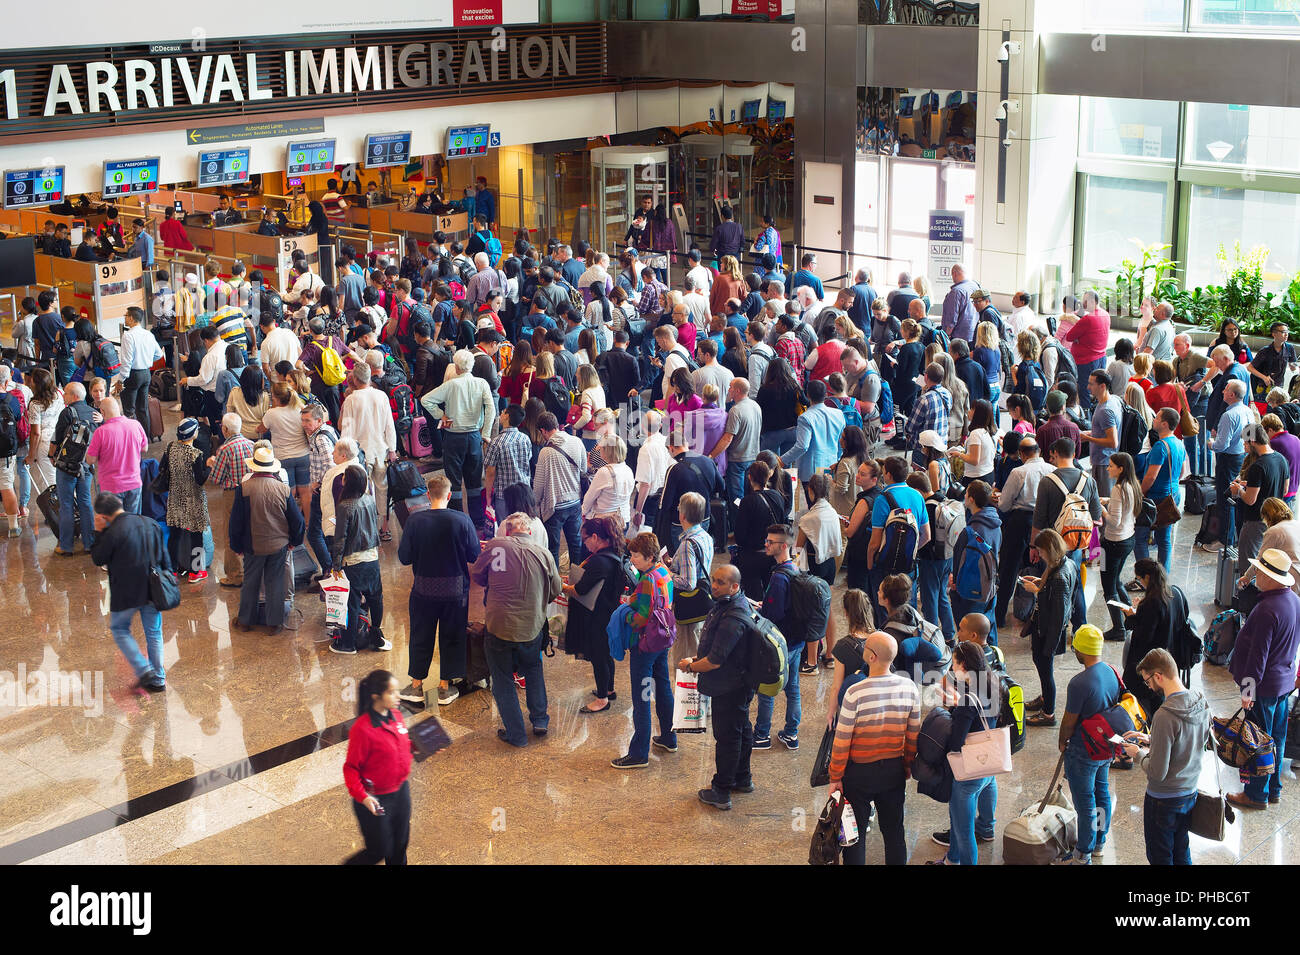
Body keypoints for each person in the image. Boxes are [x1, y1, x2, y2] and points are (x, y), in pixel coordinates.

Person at [826, 628, 920, 866]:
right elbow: (912, 736)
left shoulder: (855, 692)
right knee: (894, 832)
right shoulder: (909, 688)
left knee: (854, 837)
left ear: (871, 657)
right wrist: (907, 766)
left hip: (859, 773)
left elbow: (842, 739)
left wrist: (835, 776)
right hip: (893, 770)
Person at [471, 514, 562, 746]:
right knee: (533, 669)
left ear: (507, 531)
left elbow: (478, 577)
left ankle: (516, 734)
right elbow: (555, 591)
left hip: (498, 625)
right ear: (529, 532)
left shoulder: (495, 546)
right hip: (531, 627)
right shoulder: (544, 554)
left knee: (502, 679)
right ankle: (540, 720)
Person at [1116, 649, 1210, 865]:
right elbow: (1193, 741)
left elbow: (1157, 772)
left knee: (1160, 857)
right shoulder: (1200, 701)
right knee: (1181, 851)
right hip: (1189, 792)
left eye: (1148, 681)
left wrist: (1138, 753)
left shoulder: (1165, 714)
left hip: (1163, 800)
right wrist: (1152, 738)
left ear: (1158, 676)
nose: (1148, 686)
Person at [396, 473, 480, 707]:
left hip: (423, 589)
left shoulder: (414, 521)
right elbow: (474, 555)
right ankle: (445, 685)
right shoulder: (461, 520)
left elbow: (404, 558)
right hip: (455, 590)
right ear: (449, 495)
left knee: (420, 635)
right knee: (452, 635)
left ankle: (415, 685)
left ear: (427, 495)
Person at [1226, 548, 1300, 810]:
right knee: (1276, 738)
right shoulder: (1293, 600)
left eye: (1260, 571)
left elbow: (1258, 656)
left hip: (1263, 687)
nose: (1256, 574)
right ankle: (1273, 789)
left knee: (1257, 741)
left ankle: (1256, 794)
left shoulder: (1266, 609)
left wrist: (1247, 692)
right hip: (1283, 683)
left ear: (1270, 576)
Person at [679, 564, 755, 810]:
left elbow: (714, 661)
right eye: (713, 580)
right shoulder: (737, 603)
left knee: (727, 737)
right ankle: (743, 778)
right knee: (742, 728)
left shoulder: (733, 616)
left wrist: (690, 666)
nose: (713, 585)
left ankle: (721, 791)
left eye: (720, 582)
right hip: (739, 683)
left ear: (734, 586)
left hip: (730, 686)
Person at [1050, 624, 1119, 864]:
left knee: (1085, 802)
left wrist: (1062, 742)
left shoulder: (1079, 683)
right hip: (1106, 747)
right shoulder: (1110, 671)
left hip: (1083, 751)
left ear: (1081, 649)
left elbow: (1069, 721)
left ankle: (1083, 853)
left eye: (1075, 647)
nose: (1074, 651)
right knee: (1102, 793)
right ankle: (1099, 842)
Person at [89, 491, 170, 692]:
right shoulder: (149, 522)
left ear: (103, 516)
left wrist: (98, 532)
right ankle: (158, 677)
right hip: (153, 587)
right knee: (154, 633)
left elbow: (98, 558)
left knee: (119, 629)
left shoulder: (112, 532)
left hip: (126, 592)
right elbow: (164, 555)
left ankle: (145, 670)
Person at [928, 641, 1000, 865]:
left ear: (964, 664)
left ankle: (960, 859)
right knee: (985, 791)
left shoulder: (968, 699)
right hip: (989, 761)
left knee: (962, 829)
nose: (952, 668)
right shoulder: (993, 681)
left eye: (954, 663)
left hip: (969, 772)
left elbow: (957, 742)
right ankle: (953, 858)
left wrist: (953, 711)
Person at [613, 531, 677, 768]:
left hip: (645, 643)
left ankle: (639, 753)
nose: (632, 561)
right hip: (663, 639)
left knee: (642, 697)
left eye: (636, 556)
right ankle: (669, 737)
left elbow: (642, 617)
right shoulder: (663, 572)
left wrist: (627, 620)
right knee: (663, 688)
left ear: (650, 556)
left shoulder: (647, 579)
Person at [229, 445, 305, 635]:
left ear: (253, 468)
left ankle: (245, 620)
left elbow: (236, 521)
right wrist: (294, 542)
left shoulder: (244, 488)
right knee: (275, 583)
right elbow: (298, 521)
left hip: (252, 546)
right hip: (278, 545)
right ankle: (274, 623)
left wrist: (236, 545)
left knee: (251, 582)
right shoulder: (283, 489)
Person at [342, 670, 413, 866]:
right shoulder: (362, 729)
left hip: (400, 793)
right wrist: (362, 796)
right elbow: (351, 769)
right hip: (376, 799)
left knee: (400, 845)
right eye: (392, 692)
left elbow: (400, 746)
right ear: (376, 696)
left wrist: (420, 746)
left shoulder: (396, 715)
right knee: (379, 849)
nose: (398, 696)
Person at [1033, 437, 1101, 629]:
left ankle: (1053, 625)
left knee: (1050, 584)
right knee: (1076, 584)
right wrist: (1094, 550)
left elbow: (1038, 521)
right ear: (1075, 454)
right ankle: (1081, 627)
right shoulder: (1089, 480)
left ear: (1054, 454)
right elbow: (1095, 517)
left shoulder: (1047, 482)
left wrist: (1033, 546)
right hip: (1077, 543)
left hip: (1052, 545)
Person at [563, 516, 627, 714]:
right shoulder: (616, 553)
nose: (585, 544)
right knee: (606, 654)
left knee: (599, 656)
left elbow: (580, 590)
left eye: (585, 539)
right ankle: (608, 688)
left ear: (596, 537)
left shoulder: (599, 561)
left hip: (597, 616)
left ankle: (602, 699)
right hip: (610, 611)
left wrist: (563, 586)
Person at [753, 523, 805, 750]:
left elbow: (772, 615)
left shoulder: (778, 577)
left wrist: (758, 610)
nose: (766, 544)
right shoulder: (796, 569)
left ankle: (762, 734)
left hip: (780, 643)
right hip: (797, 640)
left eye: (770, 542)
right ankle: (791, 733)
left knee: (767, 689)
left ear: (783, 546)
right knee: (793, 688)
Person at [327, 463, 389, 655]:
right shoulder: (369, 500)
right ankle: (377, 636)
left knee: (351, 604)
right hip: (372, 557)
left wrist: (335, 565)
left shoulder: (344, 506)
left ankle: (348, 644)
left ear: (349, 482)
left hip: (352, 560)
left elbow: (340, 539)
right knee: (375, 598)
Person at [1019, 529, 1078, 728]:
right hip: (1043, 628)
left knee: (1046, 671)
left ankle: (1048, 713)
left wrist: (1037, 592)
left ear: (1049, 549)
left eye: (1041, 551)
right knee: (1042, 667)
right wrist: (1040, 585)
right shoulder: (1065, 563)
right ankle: (1045, 698)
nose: (1039, 555)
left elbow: (1058, 615)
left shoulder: (1059, 577)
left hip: (1047, 633)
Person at [341, 361, 399, 542]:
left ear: (355, 379)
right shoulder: (381, 396)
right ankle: (385, 528)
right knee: (383, 489)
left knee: (362, 492)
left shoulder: (351, 399)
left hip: (360, 452)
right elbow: (389, 425)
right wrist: (392, 449)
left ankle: (367, 528)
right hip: (380, 448)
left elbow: (347, 429)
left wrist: (345, 454)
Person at [1232, 423, 1291, 579]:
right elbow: (1284, 489)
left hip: (1255, 521)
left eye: (1245, 442)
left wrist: (1238, 490)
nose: (1244, 447)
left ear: (1252, 441)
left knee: (1249, 563)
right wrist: (1249, 485)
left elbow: (1250, 500)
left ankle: (1247, 599)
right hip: (1274, 520)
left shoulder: (1257, 466)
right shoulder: (1281, 459)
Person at [797, 474, 843, 669]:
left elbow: (798, 549)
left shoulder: (809, 518)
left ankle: (811, 659)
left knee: (813, 613)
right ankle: (830, 655)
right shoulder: (833, 512)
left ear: (811, 491)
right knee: (828, 608)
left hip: (814, 566)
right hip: (830, 565)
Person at [950, 479, 1002, 644]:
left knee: (969, 630)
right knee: (987, 627)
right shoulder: (996, 523)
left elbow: (957, 562)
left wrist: (955, 583)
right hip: (990, 585)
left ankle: (974, 662)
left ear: (971, 499)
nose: (964, 496)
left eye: (966, 493)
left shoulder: (970, 532)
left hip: (970, 589)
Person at [667, 491, 714, 673]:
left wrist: (667, 574)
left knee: (684, 662)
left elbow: (688, 583)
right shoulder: (705, 536)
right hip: (702, 604)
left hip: (689, 612)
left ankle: (686, 699)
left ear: (682, 515)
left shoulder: (688, 544)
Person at [532, 412, 587, 568]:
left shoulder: (545, 452)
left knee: (553, 548)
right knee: (576, 544)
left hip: (554, 506)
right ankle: (576, 583)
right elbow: (583, 470)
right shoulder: (577, 442)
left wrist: (535, 505)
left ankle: (555, 587)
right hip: (575, 502)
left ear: (543, 430)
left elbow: (539, 484)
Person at [1098, 451, 1142, 642]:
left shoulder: (1118, 489)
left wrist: (1100, 508)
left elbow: (1114, 521)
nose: (1108, 468)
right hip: (1127, 539)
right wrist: (1108, 501)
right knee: (1116, 581)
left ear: (1121, 469)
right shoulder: (1132, 485)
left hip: (1113, 543)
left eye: (1111, 466)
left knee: (1108, 587)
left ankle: (1118, 628)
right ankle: (1132, 617)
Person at [50, 381, 97, 555]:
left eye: (67, 393)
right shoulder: (94, 413)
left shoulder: (67, 413)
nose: (64, 395)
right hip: (85, 466)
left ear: (74, 396)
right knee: (85, 503)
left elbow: (57, 439)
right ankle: (89, 544)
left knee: (67, 504)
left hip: (66, 466)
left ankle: (66, 545)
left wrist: (52, 457)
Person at [85, 397, 146, 515]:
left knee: (113, 526)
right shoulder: (135, 425)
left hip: (111, 486)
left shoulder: (100, 432)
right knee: (133, 522)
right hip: (134, 483)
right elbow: (144, 448)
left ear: (102, 412)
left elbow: (90, 460)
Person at [905, 363, 951, 470]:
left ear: (926, 377)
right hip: (941, 444)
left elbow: (911, 427)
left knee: (921, 481)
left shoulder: (924, 399)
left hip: (924, 448)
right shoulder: (947, 393)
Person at [948, 398, 996, 485]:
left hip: (977, 477)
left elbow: (974, 460)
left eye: (972, 409)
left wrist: (959, 454)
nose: (969, 411)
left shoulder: (975, 434)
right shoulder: (985, 430)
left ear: (978, 414)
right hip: (988, 473)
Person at [940, 264, 979, 342]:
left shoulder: (956, 292)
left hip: (957, 338)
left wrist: (946, 336)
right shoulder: (975, 286)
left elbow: (951, 318)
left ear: (954, 274)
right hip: (973, 335)